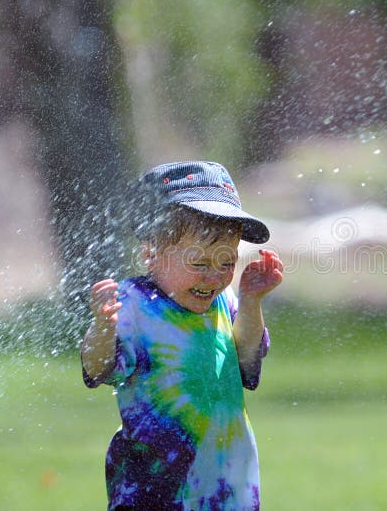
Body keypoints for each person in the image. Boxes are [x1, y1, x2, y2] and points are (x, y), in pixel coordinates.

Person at [81, 161, 283, 510]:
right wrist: (103, 326)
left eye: (226, 263)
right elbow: (98, 368)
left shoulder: (224, 301)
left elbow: (245, 358)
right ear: (151, 252)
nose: (213, 277)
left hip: (227, 488)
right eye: (200, 264)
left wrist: (251, 301)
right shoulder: (135, 305)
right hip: (158, 490)